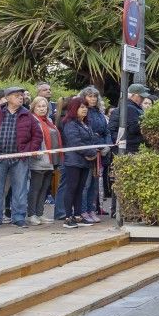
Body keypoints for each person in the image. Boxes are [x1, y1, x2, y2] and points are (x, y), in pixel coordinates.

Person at [0, 86, 42, 229]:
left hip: (19, 159)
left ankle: (19, 218)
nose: (21, 97)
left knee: (20, 190)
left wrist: (28, 151)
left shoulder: (27, 115)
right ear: (7, 98)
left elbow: (37, 136)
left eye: (21, 95)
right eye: (17, 95)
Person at [57, 100, 100, 230]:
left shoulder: (85, 123)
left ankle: (78, 216)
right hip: (73, 161)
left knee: (80, 189)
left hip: (85, 161)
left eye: (86, 107)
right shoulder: (70, 124)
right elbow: (76, 143)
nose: (84, 109)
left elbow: (91, 140)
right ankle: (68, 217)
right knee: (71, 188)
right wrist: (92, 152)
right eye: (81, 107)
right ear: (74, 109)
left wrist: (94, 151)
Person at [25, 96, 62, 226]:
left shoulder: (49, 120)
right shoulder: (31, 120)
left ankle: (40, 213)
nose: (42, 109)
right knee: (35, 188)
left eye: (44, 106)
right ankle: (31, 214)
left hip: (50, 160)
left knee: (45, 188)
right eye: (39, 106)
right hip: (38, 160)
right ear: (33, 108)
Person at [79, 87, 109, 222]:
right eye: (90, 96)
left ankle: (92, 209)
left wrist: (106, 145)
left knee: (95, 184)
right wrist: (96, 145)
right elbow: (86, 132)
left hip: (100, 152)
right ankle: (83, 211)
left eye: (94, 96)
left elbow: (106, 131)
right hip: (88, 153)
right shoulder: (83, 112)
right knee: (86, 184)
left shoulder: (99, 113)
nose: (92, 99)